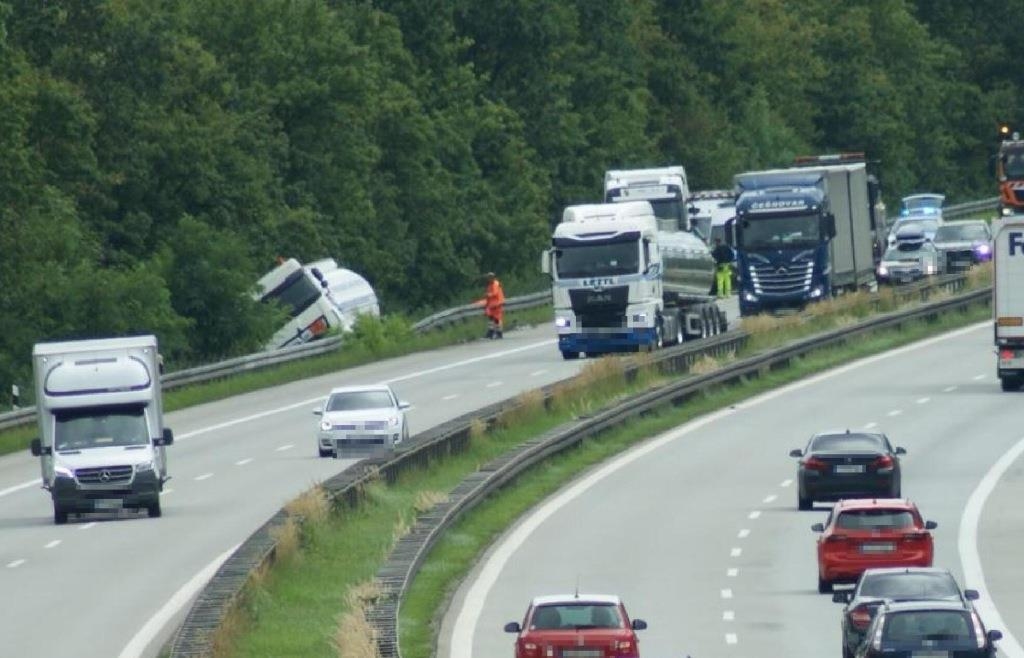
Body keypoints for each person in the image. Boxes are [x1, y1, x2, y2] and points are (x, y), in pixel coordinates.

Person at [476, 272, 505, 339]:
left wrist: (488, 294)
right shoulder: (491, 284)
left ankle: (499, 333)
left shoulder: (495, 284)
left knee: (497, 319)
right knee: (491, 318)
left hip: (497, 303)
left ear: (492, 277)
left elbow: (494, 293)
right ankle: (491, 332)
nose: (488, 279)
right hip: (492, 304)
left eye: (489, 278)